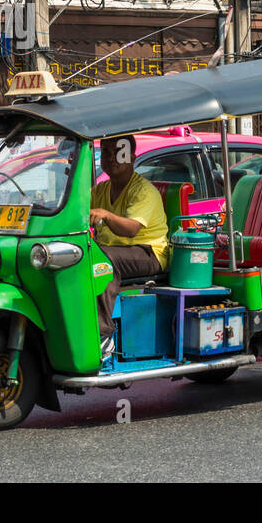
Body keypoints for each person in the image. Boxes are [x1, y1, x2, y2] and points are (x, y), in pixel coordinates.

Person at [91, 135, 169, 357]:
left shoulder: (143, 190)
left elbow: (131, 229)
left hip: (150, 253)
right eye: (106, 152)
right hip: (115, 252)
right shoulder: (100, 189)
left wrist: (104, 214)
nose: (112, 158)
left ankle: (103, 336)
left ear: (132, 157)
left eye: (119, 152)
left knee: (102, 259)